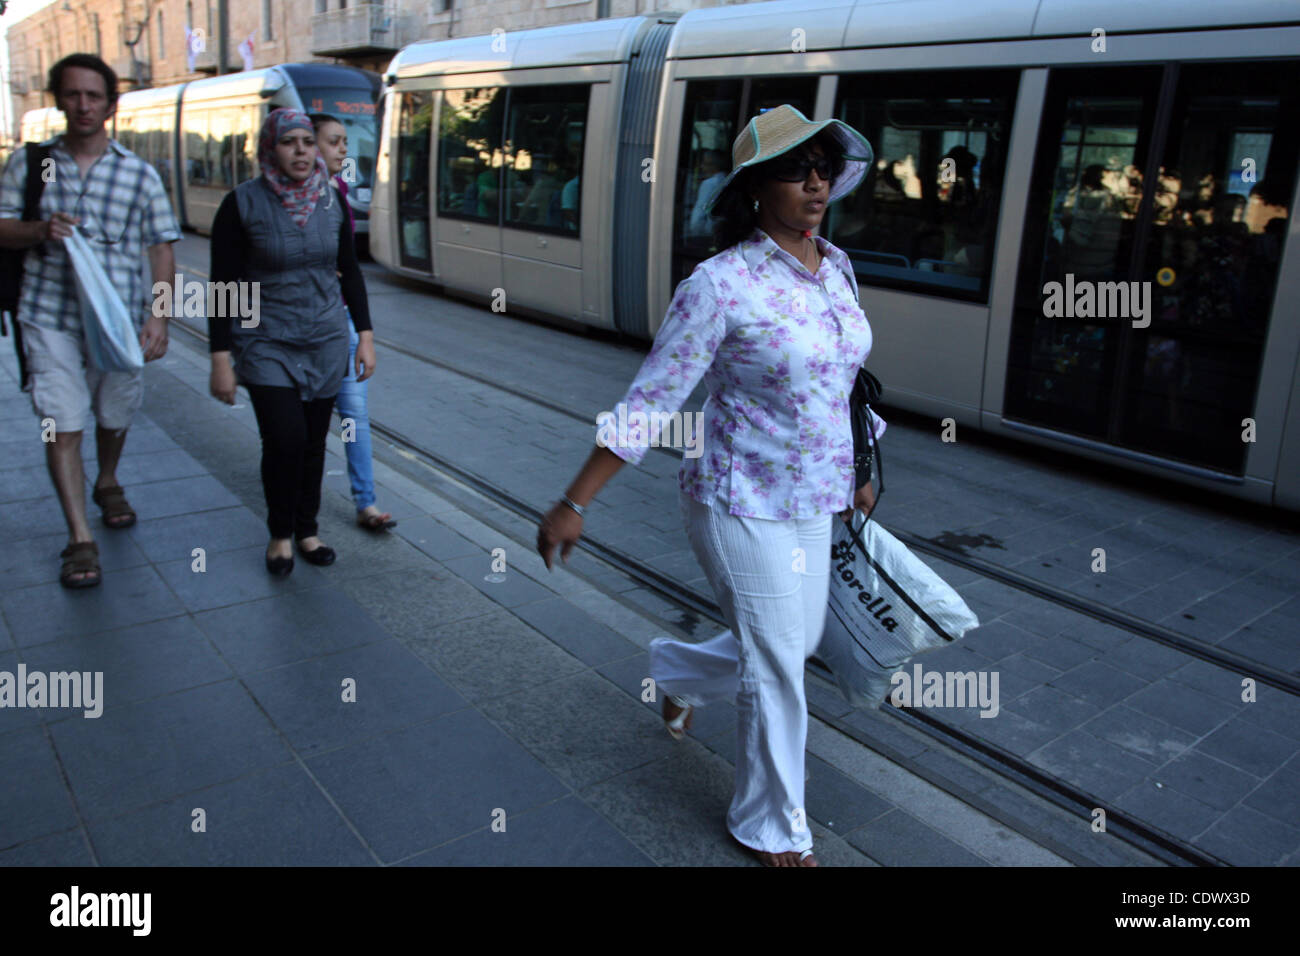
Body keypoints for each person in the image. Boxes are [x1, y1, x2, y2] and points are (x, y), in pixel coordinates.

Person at [536, 105, 882, 867]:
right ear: (756, 188)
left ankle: (680, 672)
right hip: (739, 498)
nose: (815, 182)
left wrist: (859, 470)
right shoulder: (719, 285)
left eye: (823, 166)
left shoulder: (837, 267)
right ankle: (771, 825)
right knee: (779, 665)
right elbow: (651, 400)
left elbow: (845, 383)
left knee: (793, 641)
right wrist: (574, 502)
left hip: (817, 495)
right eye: (797, 169)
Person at [0, 53, 180, 589]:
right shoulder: (32, 165)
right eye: (73, 94)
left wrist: (159, 316)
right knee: (64, 419)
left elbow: (161, 248)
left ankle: (106, 478)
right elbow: (2, 226)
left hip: (118, 320)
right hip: (47, 314)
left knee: (113, 413)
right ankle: (80, 538)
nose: (83, 105)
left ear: (109, 104)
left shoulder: (137, 172)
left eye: (93, 96)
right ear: (59, 99)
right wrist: (39, 231)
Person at [208, 108, 376, 576]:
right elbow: (224, 286)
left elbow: (350, 270)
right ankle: (280, 532)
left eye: (307, 141)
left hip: (324, 339)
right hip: (265, 342)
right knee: (285, 438)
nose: (301, 151)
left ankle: (307, 530)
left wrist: (364, 335)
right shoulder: (241, 203)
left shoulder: (331, 199)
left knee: (312, 444)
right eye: (289, 142)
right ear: (270, 148)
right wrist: (220, 357)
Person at [310, 112, 395, 533]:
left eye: (345, 142)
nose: (343, 149)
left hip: (339, 323)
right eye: (333, 141)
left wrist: (365, 335)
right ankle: (294, 508)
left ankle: (366, 503)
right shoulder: (267, 201)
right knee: (299, 424)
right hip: (296, 332)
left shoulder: (339, 196)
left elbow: (352, 271)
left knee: (353, 417)